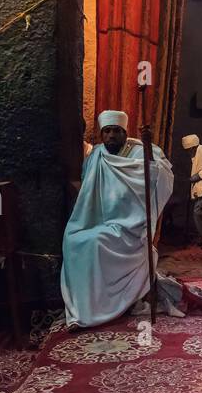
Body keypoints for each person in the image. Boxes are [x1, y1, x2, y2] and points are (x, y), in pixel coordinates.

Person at [60, 110, 173, 327]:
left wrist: (149, 154)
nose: (111, 135)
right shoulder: (96, 156)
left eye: (116, 131)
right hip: (101, 220)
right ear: (101, 134)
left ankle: (104, 306)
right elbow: (88, 191)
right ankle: (86, 306)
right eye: (107, 131)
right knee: (73, 240)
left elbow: (157, 177)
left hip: (130, 225)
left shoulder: (140, 151)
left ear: (125, 133)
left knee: (96, 242)